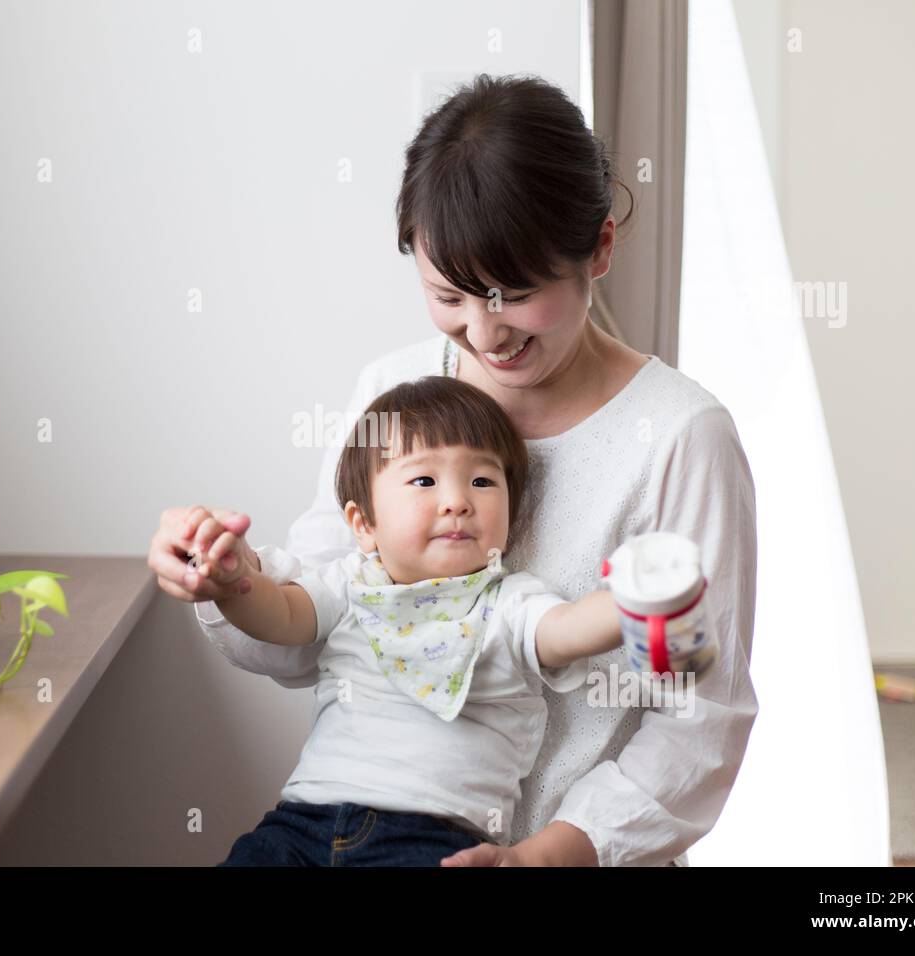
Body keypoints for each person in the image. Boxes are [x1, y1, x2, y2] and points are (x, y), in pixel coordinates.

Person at [149, 72, 759, 867]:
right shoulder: (395, 394)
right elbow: (315, 630)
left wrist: (544, 856)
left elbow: (701, 717)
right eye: (450, 294)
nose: (485, 333)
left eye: (513, 295)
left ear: (599, 248)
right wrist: (224, 574)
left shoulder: (682, 436)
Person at [178, 377, 633, 865]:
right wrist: (232, 587)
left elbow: (566, 630)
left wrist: (635, 600)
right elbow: (281, 615)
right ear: (364, 525)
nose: (457, 500)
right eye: (424, 481)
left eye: (482, 481)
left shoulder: (508, 602)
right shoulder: (348, 584)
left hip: (432, 839)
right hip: (301, 823)